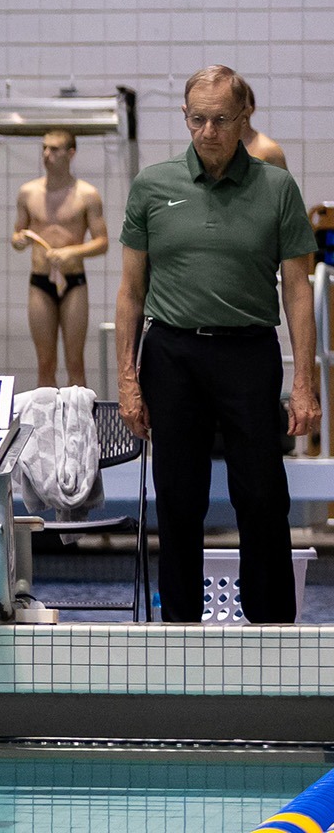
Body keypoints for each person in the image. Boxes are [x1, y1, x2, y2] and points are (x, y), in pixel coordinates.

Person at [116, 65, 319, 625]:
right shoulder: (153, 186)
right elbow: (131, 292)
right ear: (185, 118)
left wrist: (304, 382)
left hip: (248, 355)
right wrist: (128, 381)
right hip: (172, 356)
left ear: (243, 118)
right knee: (180, 501)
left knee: (262, 496)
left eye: (221, 119)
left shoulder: (276, 186)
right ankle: (180, 624)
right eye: (198, 119)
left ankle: (273, 625)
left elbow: (298, 288)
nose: (209, 131)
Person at [11, 130, 109, 389]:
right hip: (40, 282)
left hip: (73, 282)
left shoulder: (87, 195)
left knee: (75, 363)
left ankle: (79, 428)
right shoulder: (28, 192)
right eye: (44, 148)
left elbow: (102, 243)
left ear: (71, 153)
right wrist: (18, 240)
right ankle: (46, 429)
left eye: (54, 149)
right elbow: (17, 233)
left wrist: (72, 252)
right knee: (45, 363)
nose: (47, 154)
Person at [241, 82, 290, 170]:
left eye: (242, 105)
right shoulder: (216, 144)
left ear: (251, 109)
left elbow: (283, 183)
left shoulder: (268, 149)